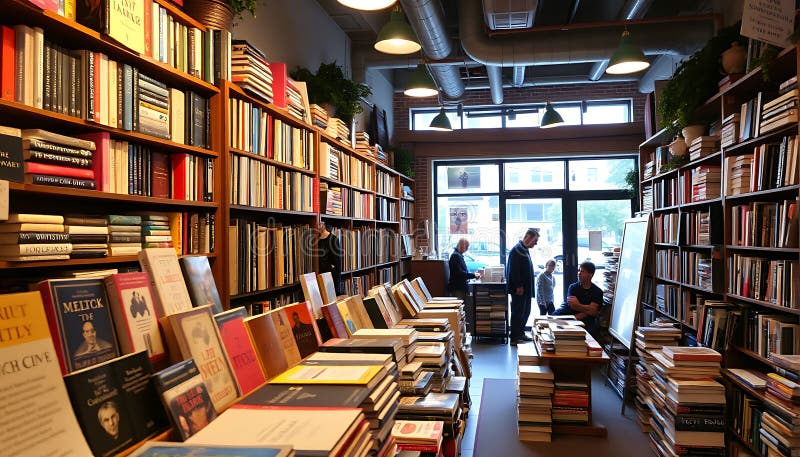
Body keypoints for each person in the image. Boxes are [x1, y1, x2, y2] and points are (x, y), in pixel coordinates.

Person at [505, 228, 539, 345]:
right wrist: (518, 285)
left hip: (526, 289)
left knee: (525, 311)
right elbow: (514, 270)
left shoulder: (523, 249)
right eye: (535, 240)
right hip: (520, 289)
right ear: (528, 238)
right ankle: (515, 337)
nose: (536, 243)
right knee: (518, 312)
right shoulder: (516, 250)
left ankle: (521, 333)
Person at [552, 261, 604, 337]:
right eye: (579, 270)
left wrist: (579, 306)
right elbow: (572, 306)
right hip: (570, 312)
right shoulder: (573, 287)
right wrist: (586, 309)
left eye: (582, 271)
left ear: (590, 274)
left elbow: (593, 311)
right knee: (554, 317)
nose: (579, 273)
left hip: (587, 318)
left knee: (591, 330)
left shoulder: (597, 291)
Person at [317, 221, 343, 295]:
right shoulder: (318, 240)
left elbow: (338, 262)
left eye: (319, 224)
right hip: (320, 274)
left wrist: (337, 284)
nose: (318, 226)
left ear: (324, 225)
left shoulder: (333, 239)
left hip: (331, 275)